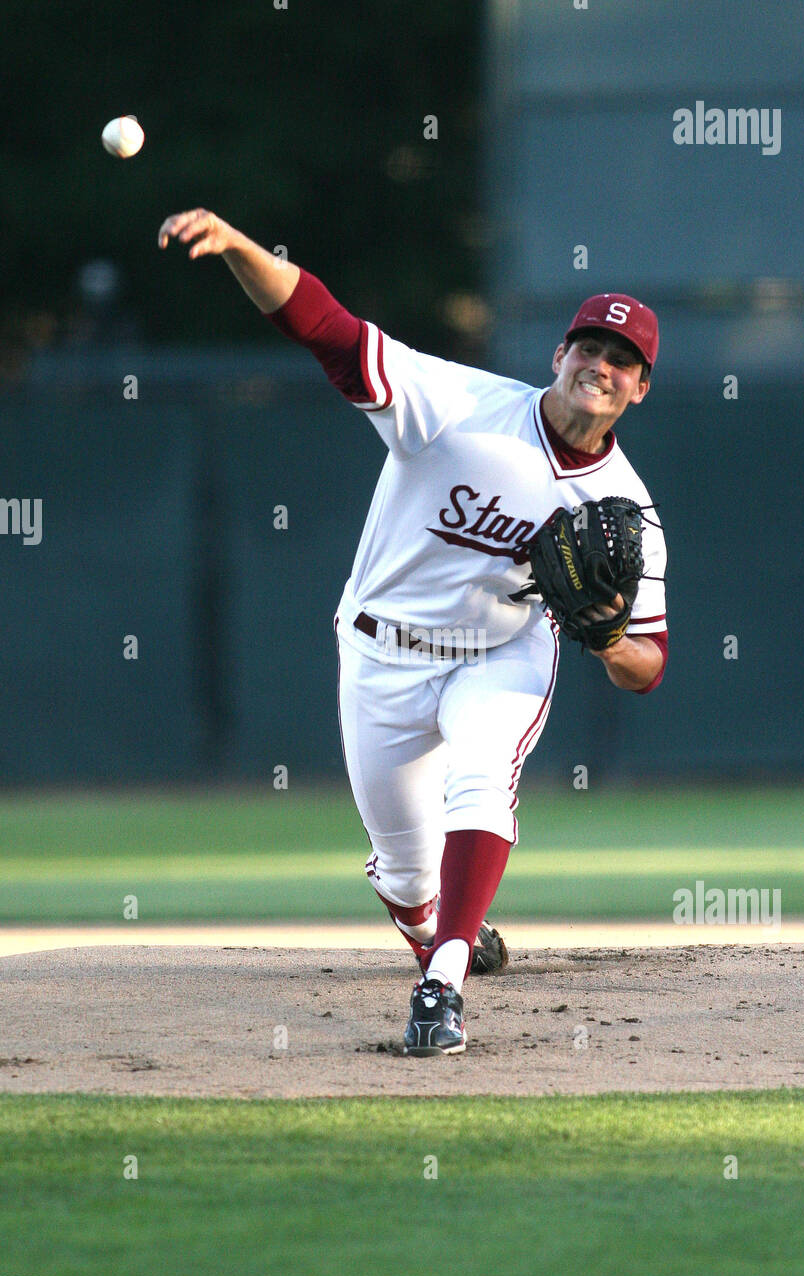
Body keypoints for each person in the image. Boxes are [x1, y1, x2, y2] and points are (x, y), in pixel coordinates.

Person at [158, 209, 668, 1057]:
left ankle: (442, 986)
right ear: (560, 355)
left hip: (499, 653)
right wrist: (245, 250)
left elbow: (647, 667)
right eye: (590, 349)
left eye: (624, 362)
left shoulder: (630, 509)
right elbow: (327, 329)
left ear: (640, 388)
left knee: (479, 781)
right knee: (404, 876)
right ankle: (439, 931)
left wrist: (611, 638)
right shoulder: (458, 403)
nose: (602, 368)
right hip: (378, 652)